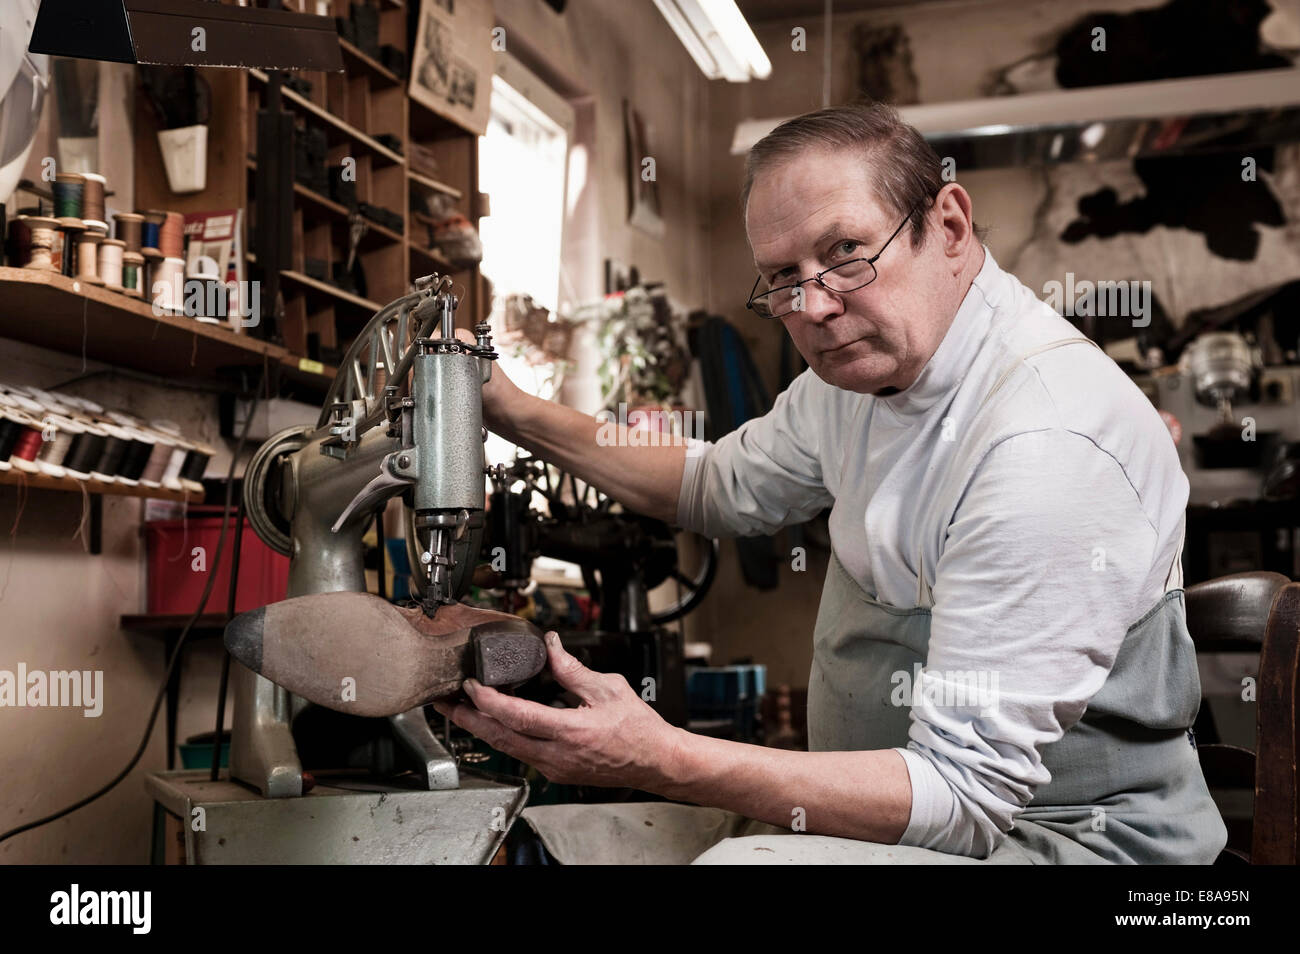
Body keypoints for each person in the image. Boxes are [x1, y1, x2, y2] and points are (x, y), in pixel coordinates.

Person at [434, 102, 1228, 865]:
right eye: (782, 276)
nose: (812, 305)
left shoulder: (1046, 442)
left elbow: (964, 792)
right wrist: (509, 408)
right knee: (600, 841)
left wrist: (660, 756)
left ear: (947, 225)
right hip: (916, 825)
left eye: (845, 251)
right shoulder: (861, 375)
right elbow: (715, 481)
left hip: (1072, 847)